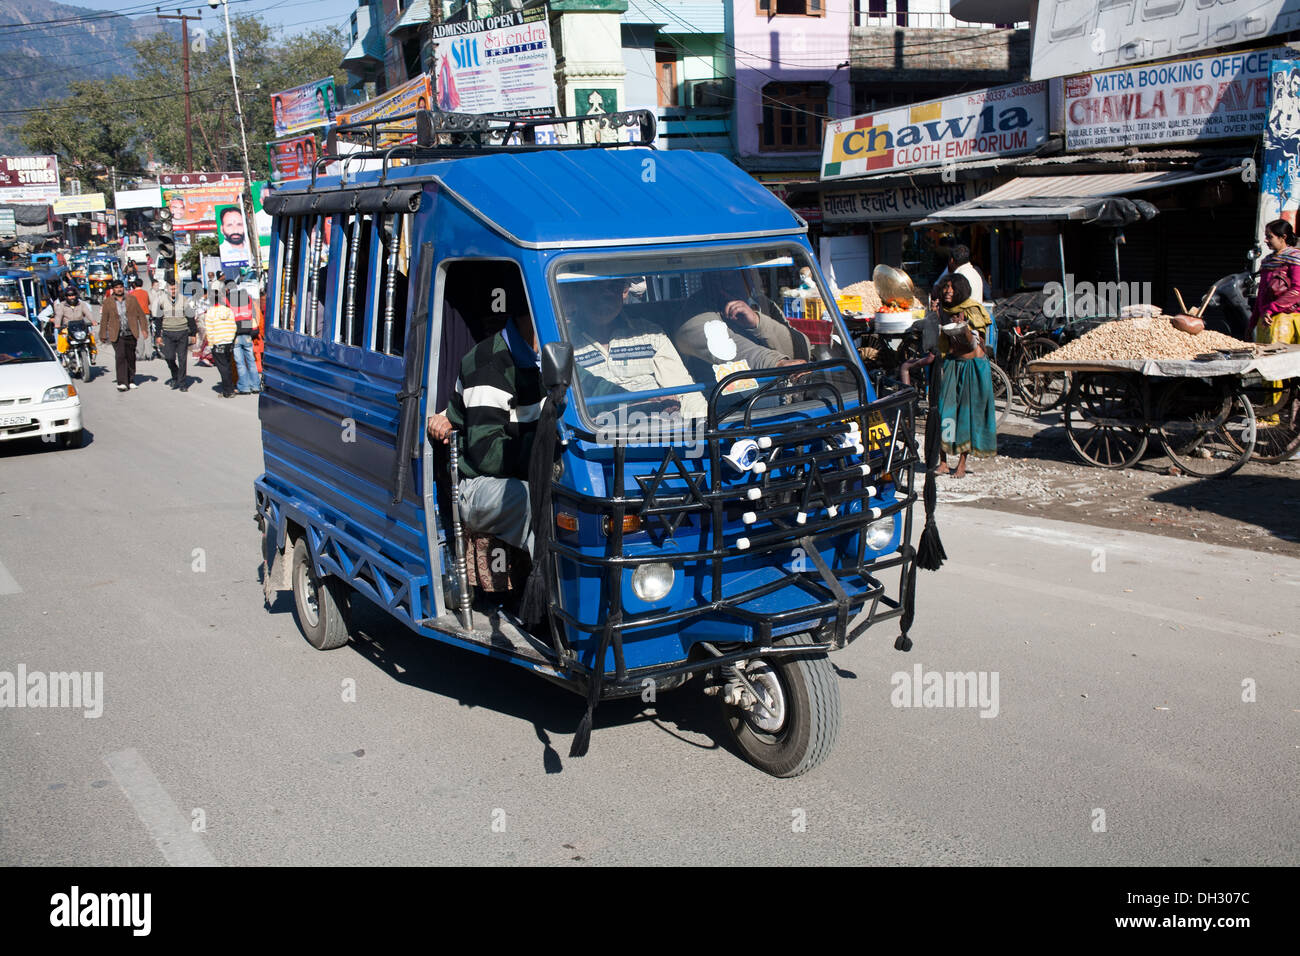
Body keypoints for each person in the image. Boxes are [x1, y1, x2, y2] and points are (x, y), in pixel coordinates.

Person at [427, 308, 542, 553]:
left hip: (526, 469)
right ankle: (551, 586)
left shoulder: (550, 353)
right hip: (477, 483)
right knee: (537, 503)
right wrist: (547, 453)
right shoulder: (488, 363)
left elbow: (594, 390)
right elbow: (488, 453)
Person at [562, 277, 707, 419]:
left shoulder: (650, 333)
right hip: (598, 437)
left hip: (663, 433)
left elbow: (684, 391)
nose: (604, 295)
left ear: (624, 292)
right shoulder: (562, 342)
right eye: (593, 286)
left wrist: (706, 429)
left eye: (613, 287)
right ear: (575, 292)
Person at [674, 269, 809, 376]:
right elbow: (723, 347)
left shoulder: (763, 304)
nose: (748, 279)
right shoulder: (694, 312)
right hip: (728, 403)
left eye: (747, 273)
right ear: (708, 280)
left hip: (782, 397)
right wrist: (775, 363)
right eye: (727, 275)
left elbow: (800, 346)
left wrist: (758, 323)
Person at [934, 273, 996, 477]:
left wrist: (964, 328)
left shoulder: (972, 309)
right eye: (946, 287)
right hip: (953, 364)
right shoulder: (942, 310)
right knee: (946, 412)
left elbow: (974, 343)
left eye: (952, 287)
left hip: (972, 367)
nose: (948, 291)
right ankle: (943, 461)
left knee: (966, 416)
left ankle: (961, 463)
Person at [98, 277, 148, 392]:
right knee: (120, 356)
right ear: (113, 289)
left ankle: (130, 380)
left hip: (131, 332)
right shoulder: (108, 302)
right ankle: (121, 382)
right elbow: (104, 318)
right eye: (116, 287)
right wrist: (102, 334)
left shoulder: (132, 299)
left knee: (130, 357)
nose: (119, 289)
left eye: (120, 287)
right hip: (117, 333)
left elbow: (141, 314)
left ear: (123, 288)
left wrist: (144, 329)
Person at [153, 281, 195, 391]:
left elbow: (191, 317)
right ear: (167, 289)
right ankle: (175, 373)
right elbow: (158, 319)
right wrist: (158, 335)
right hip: (167, 333)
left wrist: (194, 333)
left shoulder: (184, 300)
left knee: (182, 359)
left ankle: (182, 383)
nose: (173, 291)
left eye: (175, 289)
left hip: (182, 332)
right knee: (169, 357)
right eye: (171, 289)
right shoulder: (161, 301)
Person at [204, 285, 238, 397]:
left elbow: (209, 330)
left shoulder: (210, 313)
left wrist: (211, 343)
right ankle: (230, 388)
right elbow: (234, 327)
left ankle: (228, 391)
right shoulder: (229, 311)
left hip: (218, 342)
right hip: (229, 342)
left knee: (222, 367)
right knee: (228, 365)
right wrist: (231, 339)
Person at [230, 287, 261, 394]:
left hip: (236, 336)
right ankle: (256, 386)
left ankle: (244, 387)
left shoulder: (230, 304)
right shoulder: (248, 303)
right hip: (248, 335)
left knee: (240, 363)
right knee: (251, 361)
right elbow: (253, 318)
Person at [129, 277, 152, 360]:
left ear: (134, 285)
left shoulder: (132, 293)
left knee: (139, 334)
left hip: (136, 315)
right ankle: (149, 354)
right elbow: (148, 302)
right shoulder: (145, 293)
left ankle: (140, 354)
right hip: (146, 314)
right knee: (147, 333)